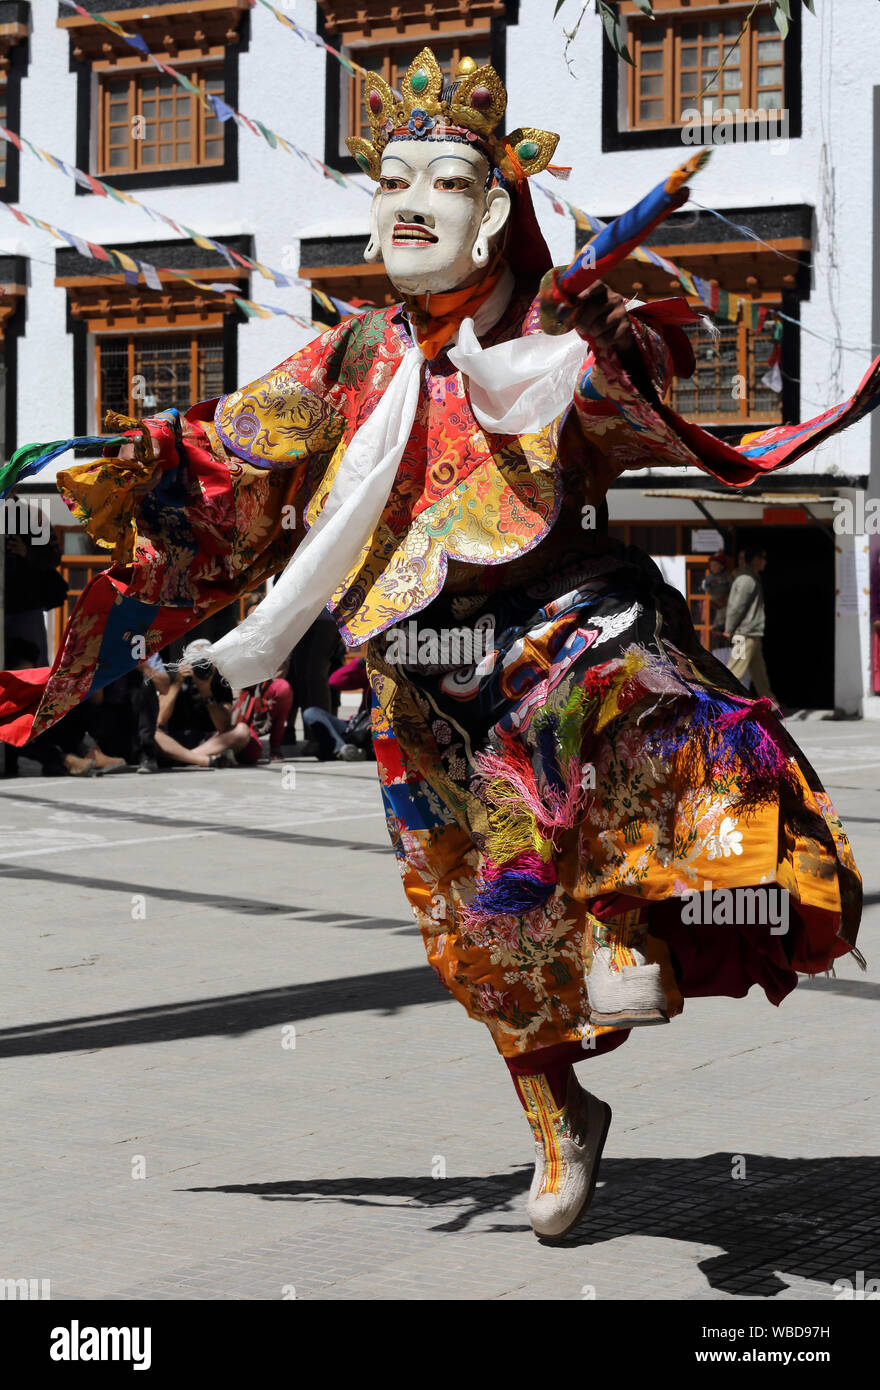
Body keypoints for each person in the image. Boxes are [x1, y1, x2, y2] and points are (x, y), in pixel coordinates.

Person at [0, 50, 872, 1242]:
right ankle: (562, 1110)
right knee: (485, 921)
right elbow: (235, 460)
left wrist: (606, 344)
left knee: (636, 707)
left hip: (563, 613)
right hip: (422, 676)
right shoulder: (354, 357)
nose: (409, 202)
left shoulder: (552, 330)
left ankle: (627, 920)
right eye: (391, 179)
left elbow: (632, 414)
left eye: (446, 182)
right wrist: (141, 474)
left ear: (496, 211)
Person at [153, 640, 250, 769]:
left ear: (213, 665)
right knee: (152, 732)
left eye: (205, 664)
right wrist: (177, 684)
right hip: (174, 740)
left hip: (209, 743)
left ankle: (185, 758)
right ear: (185, 663)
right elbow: (160, 720)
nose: (201, 668)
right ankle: (201, 760)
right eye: (196, 664)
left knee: (242, 731)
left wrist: (206, 691)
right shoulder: (174, 678)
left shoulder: (220, 681)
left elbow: (223, 726)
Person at [724, 546, 777, 701]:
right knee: (734, 672)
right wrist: (730, 628)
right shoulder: (747, 579)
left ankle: (772, 707)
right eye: (763, 558)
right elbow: (737, 606)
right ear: (755, 560)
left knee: (760, 675)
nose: (765, 563)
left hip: (752, 634)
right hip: (744, 634)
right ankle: (717, 704)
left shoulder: (751, 577)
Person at [303, 653, 371, 761]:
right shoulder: (371, 675)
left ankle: (360, 753)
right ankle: (342, 749)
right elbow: (334, 681)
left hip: (376, 732)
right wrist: (359, 663)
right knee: (311, 713)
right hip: (355, 727)